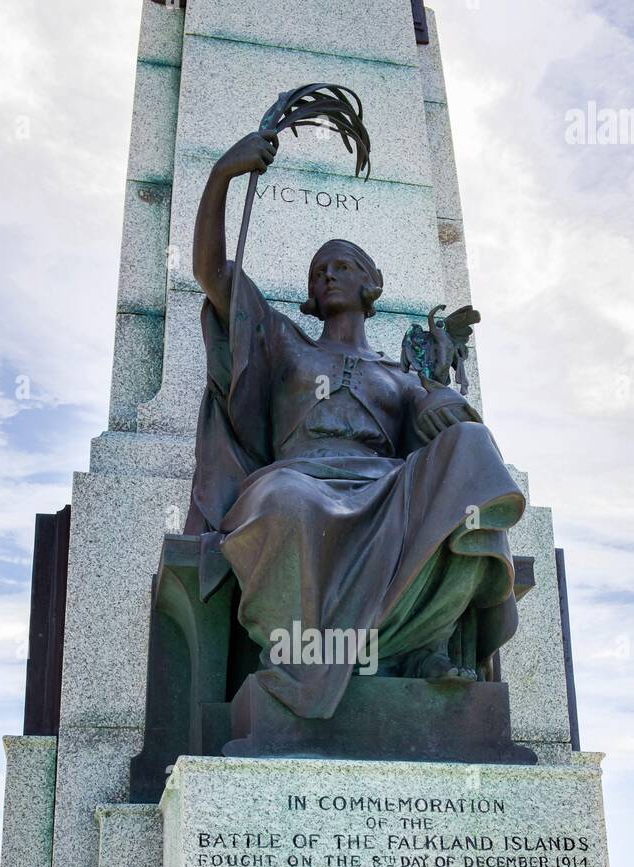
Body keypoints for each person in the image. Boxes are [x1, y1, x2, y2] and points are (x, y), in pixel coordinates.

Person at [185, 130, 526, 720]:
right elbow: (212, 272)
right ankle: (301, 657)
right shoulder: (285, 345)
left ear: (373, 286)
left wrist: (441, 392)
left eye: (344, 267)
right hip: (299, 477)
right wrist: (222, 174)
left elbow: (442, 438)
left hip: (385, 486)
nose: (329, 275)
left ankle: (423, 644)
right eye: (319, 271)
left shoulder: (401, 376)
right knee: (286, 502)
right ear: (310, 299)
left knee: (470, 448)